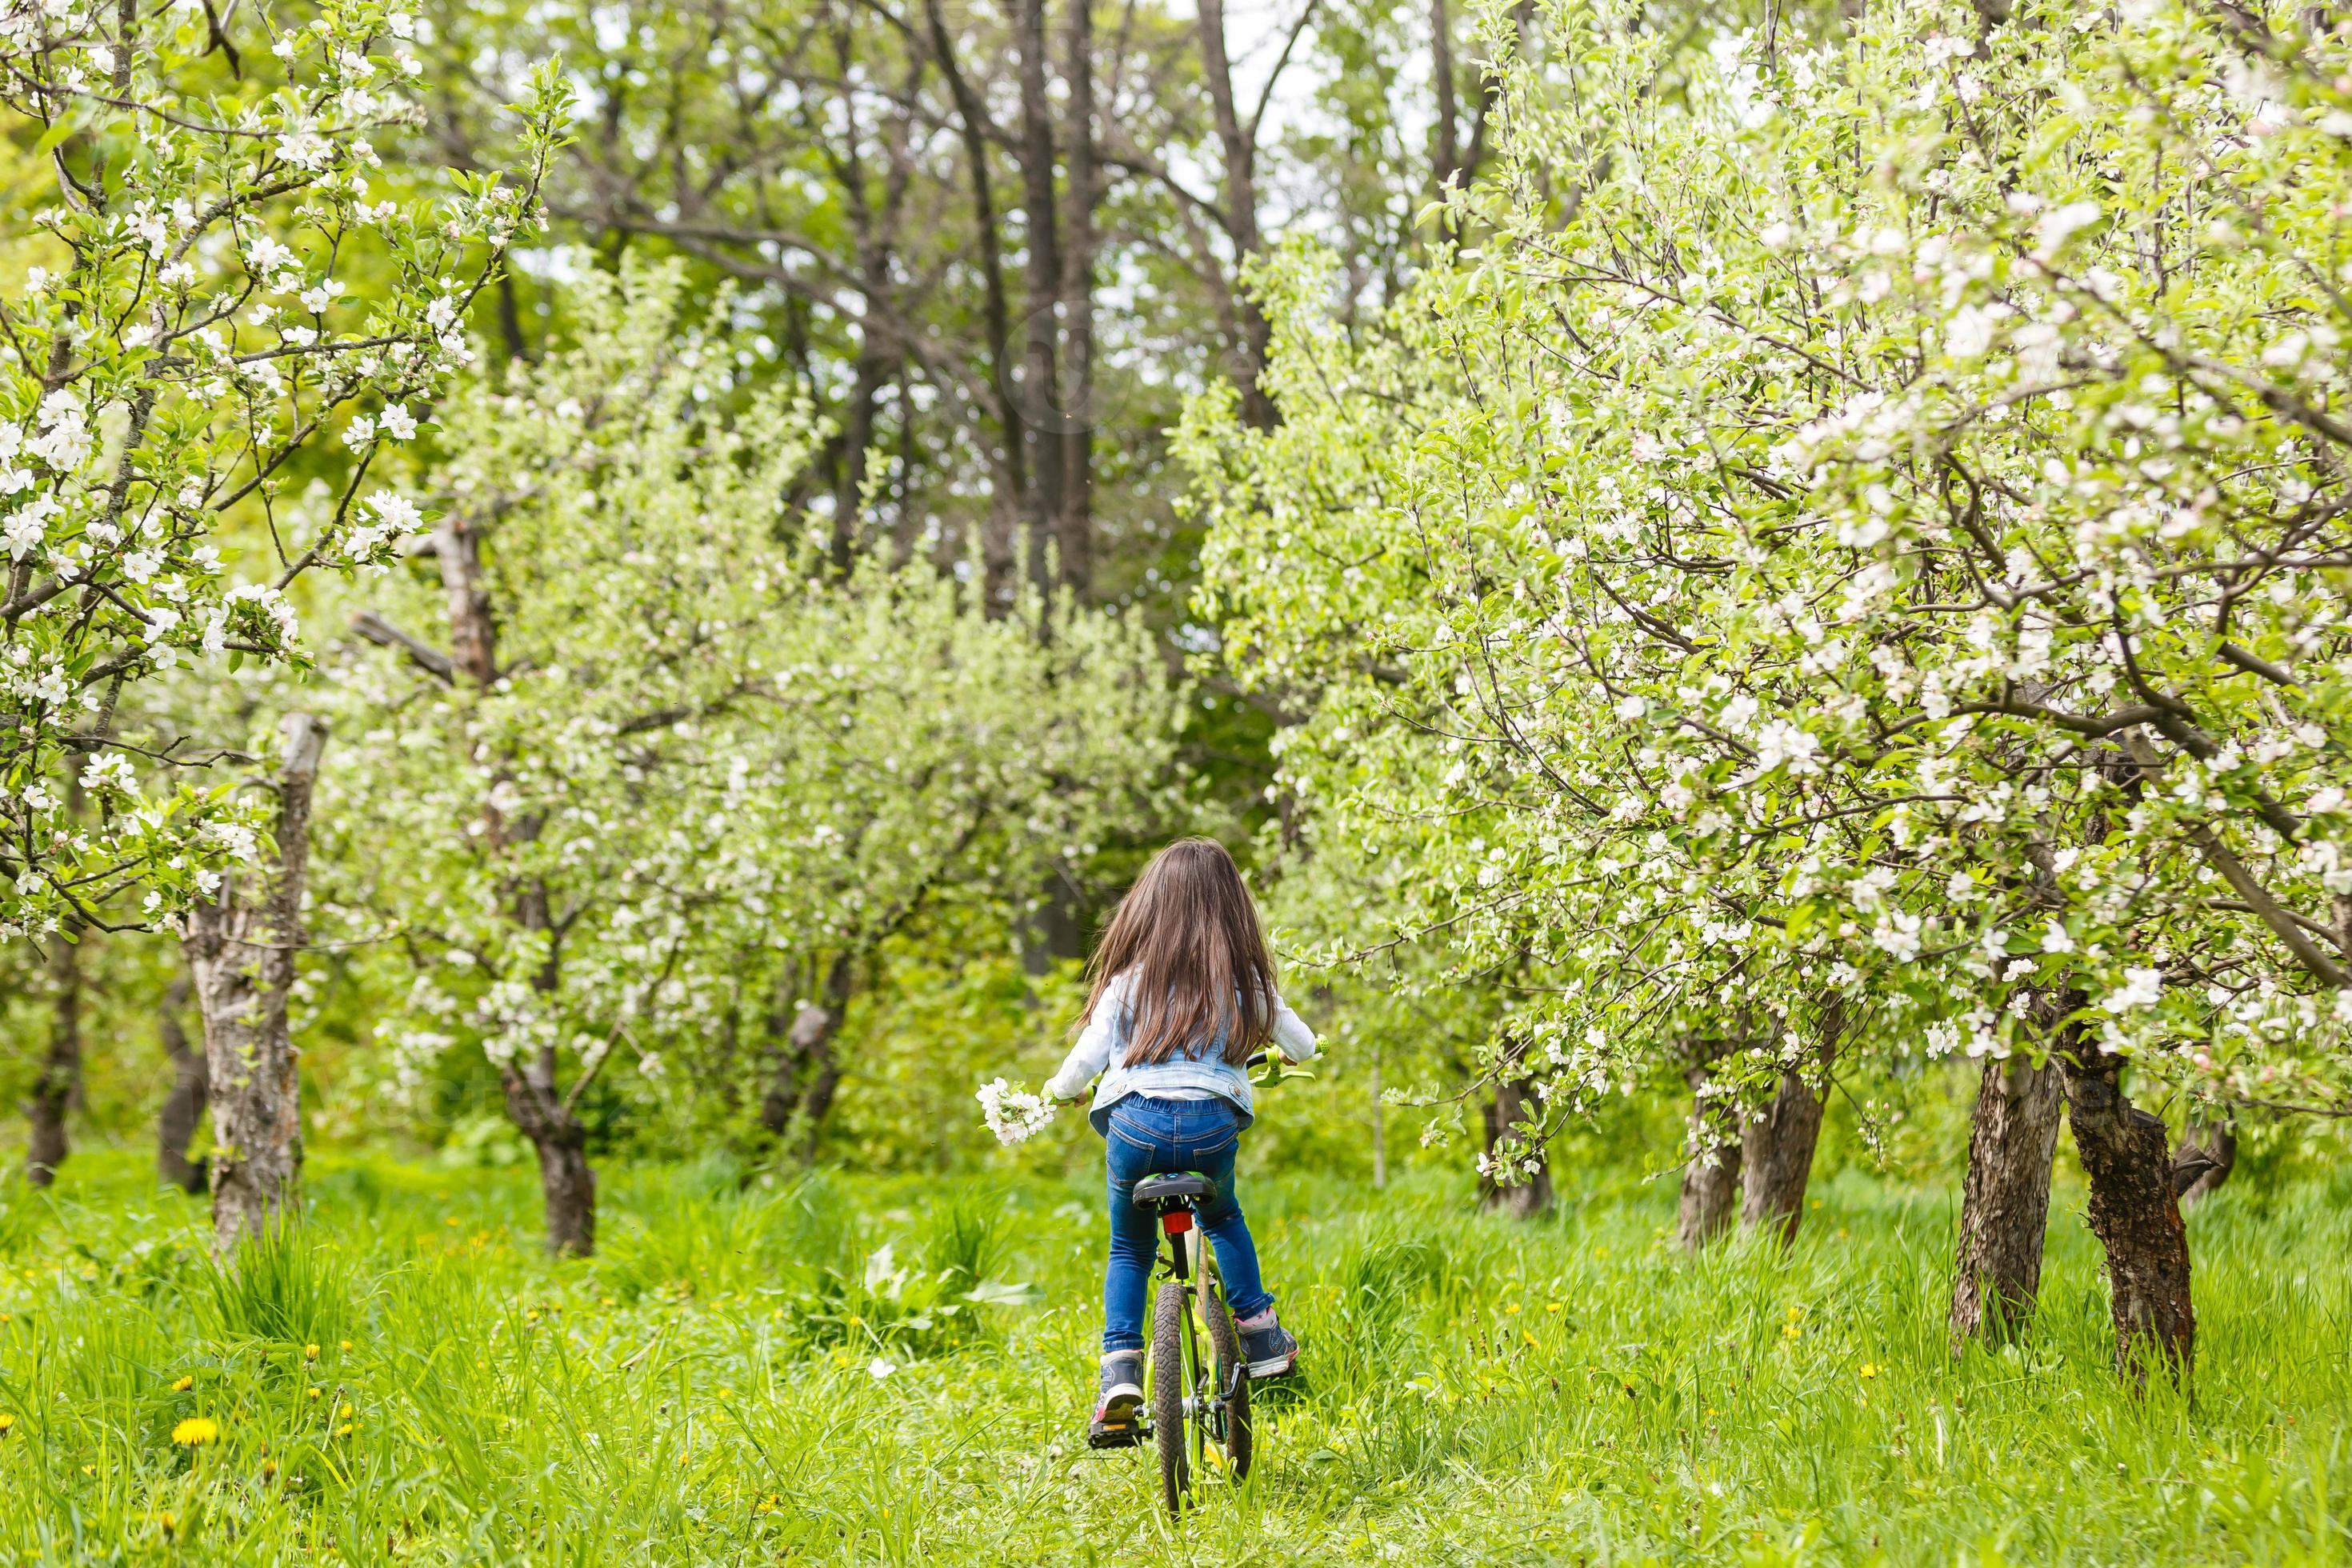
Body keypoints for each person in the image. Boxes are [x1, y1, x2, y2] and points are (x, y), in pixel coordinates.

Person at [1042, 837, 1318, 1444]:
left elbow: (1081, 1066)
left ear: (1149, 908)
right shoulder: (1243, 981)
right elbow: (1304, 1045)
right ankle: (1260, 1333)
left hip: (1133, 1128)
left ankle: (1120, 1371)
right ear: (1232, 911)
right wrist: (1276, 1048)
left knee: (1129, 1250)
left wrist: (1056, 1092)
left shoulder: (1126, 982)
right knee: (1223, 1218)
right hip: (1208, 1129)